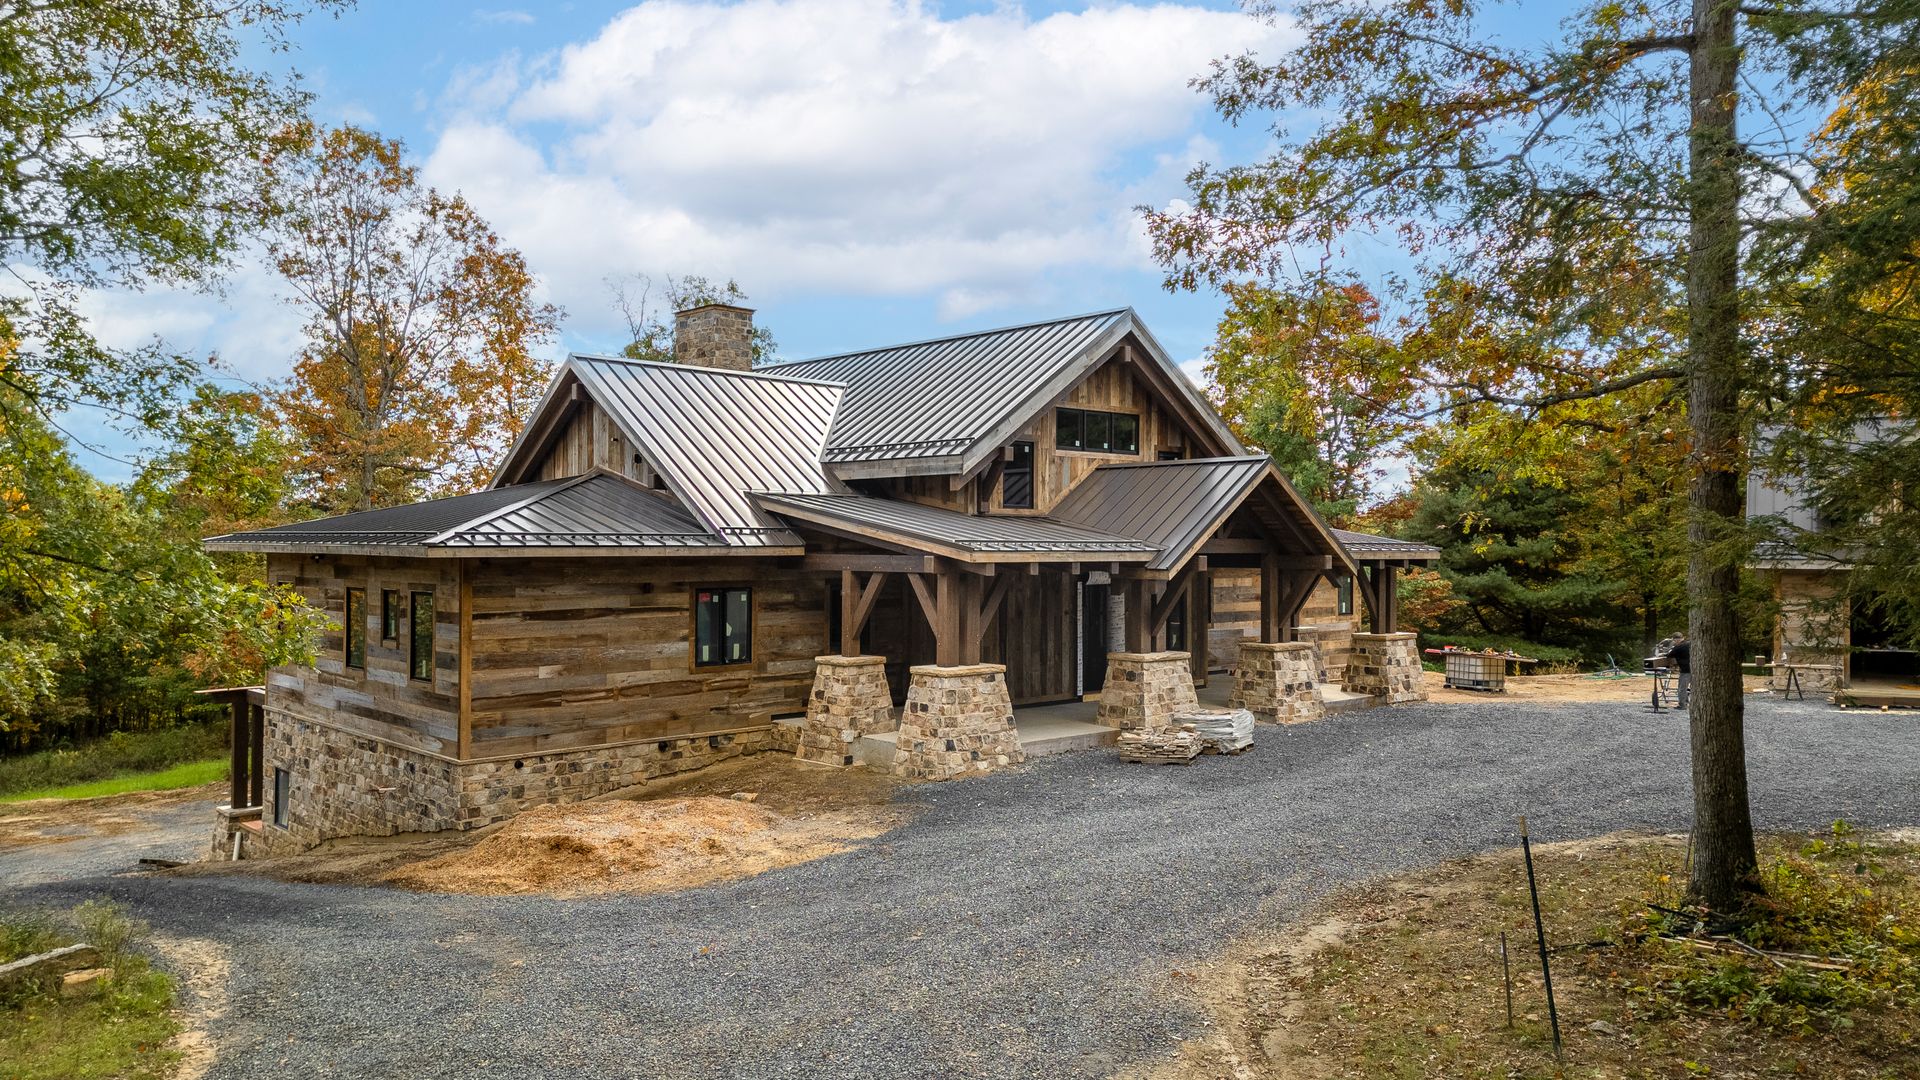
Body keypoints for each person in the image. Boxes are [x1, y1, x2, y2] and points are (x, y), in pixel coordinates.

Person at [1668, 633, 1691, 707]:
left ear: (1675, 640)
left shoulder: (1678, 647)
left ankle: (1682, 704)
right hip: (1694, 669)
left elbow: (1669, 655)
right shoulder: (1689, 643)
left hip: (1685, 670)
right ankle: (1688, 702)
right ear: (1683, 638)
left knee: (1682, 688)